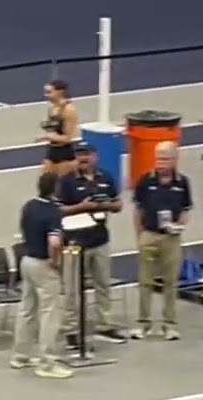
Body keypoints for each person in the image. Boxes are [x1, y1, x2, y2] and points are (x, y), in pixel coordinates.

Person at [59, 142, 126, 348]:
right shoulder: (67, 181)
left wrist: (107, 205)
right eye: (80, 155)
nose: (83, 158)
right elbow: (59, 209)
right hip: (75, 242)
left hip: (100, 239)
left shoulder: (105, 178)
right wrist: (83, 207)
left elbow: (118, 203)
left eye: (87, 154)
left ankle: (105, 324)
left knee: (103, 285)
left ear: (94, 156)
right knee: (72, 288)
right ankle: (71, 329)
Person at [11, 171, 71, 379]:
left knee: (27, 308)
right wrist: (55, 261)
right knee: (50, 312)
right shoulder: (53, 211)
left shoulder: (29, 205)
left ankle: (21, 355)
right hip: (43, 264)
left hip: (26, 260)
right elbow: (54, 242)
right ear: (54, 188)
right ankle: (47, 362)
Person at [132, 141, 193, 340]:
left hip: (171, 238)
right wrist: (140, 236)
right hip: (149, 235)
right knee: (145, 282)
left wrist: (180, 227)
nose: (160, 162)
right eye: (158, 158)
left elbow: (185, 209)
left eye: (165, 159)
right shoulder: (145, 181)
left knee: (170, 283)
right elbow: (138, 210)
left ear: (175, 160)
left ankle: (170, 325)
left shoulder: (182, 182)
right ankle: (143, 323)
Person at [37, 79, 79, 176]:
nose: (45, 95)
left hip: (64, 153)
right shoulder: (52, 107)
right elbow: (53, 129)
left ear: (59, 92)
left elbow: (67, 138)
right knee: (46, 182)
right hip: (52, 149)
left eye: (49, 92)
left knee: (62, 185)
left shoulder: (69, 110)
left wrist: (46, 137)